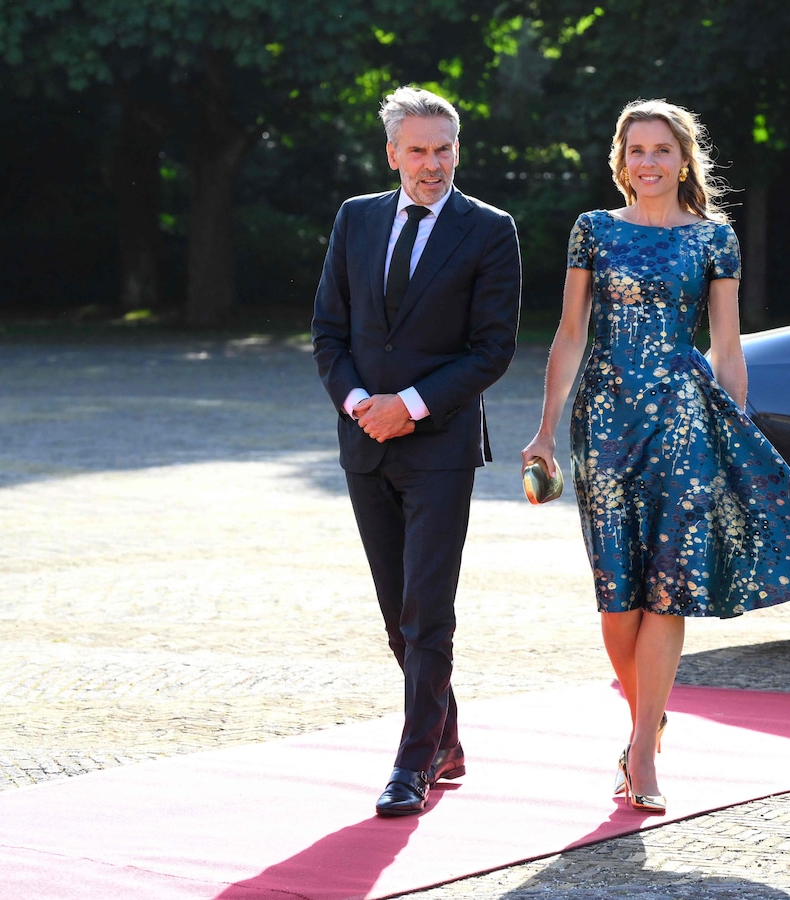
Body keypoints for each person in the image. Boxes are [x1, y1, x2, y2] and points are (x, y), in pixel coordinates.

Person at [521, 99, 790, 812]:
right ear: (621, 160)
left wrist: (737, 431)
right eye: (636, 149)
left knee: (668, 587)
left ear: (683, 159)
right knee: (617, 597)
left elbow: (727, 347)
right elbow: (570, 335)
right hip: (602, 425)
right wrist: (545, 430)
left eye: (661, 149)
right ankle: (652, 714)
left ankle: (640, 751)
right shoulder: (593, 232)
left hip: (683, 422)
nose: (648, 162)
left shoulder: (713, 239)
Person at [313, 86, 521, 815]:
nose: (433, 165)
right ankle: (448, 737)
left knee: (427, 610)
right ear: (393, 154)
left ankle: (413, 763)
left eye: (444, 149)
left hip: (441, 446)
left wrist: (411, 405)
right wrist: (360, 406)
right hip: (363, 440)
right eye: (419, 150)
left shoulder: (490, 230)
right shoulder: (356, 219)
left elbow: (493, 350)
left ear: (457, 150)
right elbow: (328, 334)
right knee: (394, 610)